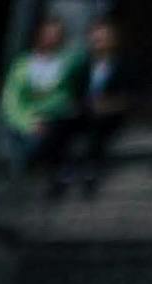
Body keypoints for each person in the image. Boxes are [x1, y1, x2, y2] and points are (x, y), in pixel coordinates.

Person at [45, 18, 138, 192]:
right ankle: (62, 171)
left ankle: (91, 169)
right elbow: (72, 91)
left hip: (110, 113)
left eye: (103, 38)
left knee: (99, 123)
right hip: (84, 110)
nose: (99, 43)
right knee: (59, 124)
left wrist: (108, 105)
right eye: (96, 39)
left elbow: (129, 96)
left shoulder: (123, 65)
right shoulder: (83, 65)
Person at [0, 13, 83, 175]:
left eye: (56, 35)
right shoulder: (22, 64)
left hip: (50, 121)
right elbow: (11, 100)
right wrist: (27, 122)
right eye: (47, 33)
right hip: (21, 121)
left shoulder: (66, 65)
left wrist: (42, 114)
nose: (51, 38)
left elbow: (63, 98)